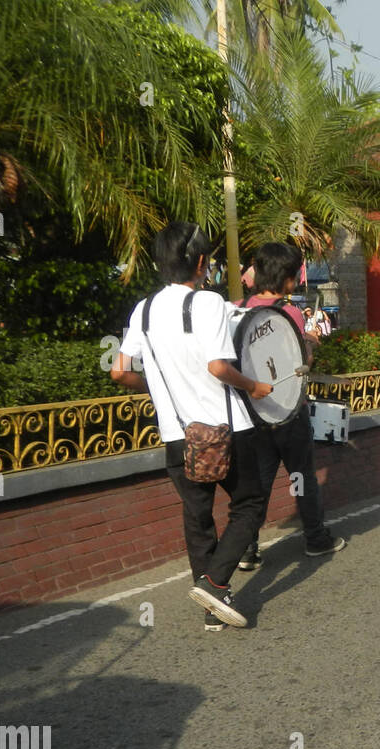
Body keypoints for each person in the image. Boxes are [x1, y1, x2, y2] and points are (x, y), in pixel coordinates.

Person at [110, 222, 272, 630]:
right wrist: (253, 386)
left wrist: (162, 388)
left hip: (176, 434)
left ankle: (211, 609)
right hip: (226, 428)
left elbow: (119, 372)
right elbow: (218, 366)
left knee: (197, 517)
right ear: (201, 262)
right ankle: (216, 584)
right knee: (250, 504)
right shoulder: (208, 303)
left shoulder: (143, 308)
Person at [237, 242, 346, 572]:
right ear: (286, 277)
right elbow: (302, 362)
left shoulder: (237, 308)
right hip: (288, 410)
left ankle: (246, 548)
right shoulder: (290, 313)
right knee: (302, 476)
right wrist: (312, 339)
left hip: (252, 413)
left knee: (256, 484)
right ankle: (315, 538)